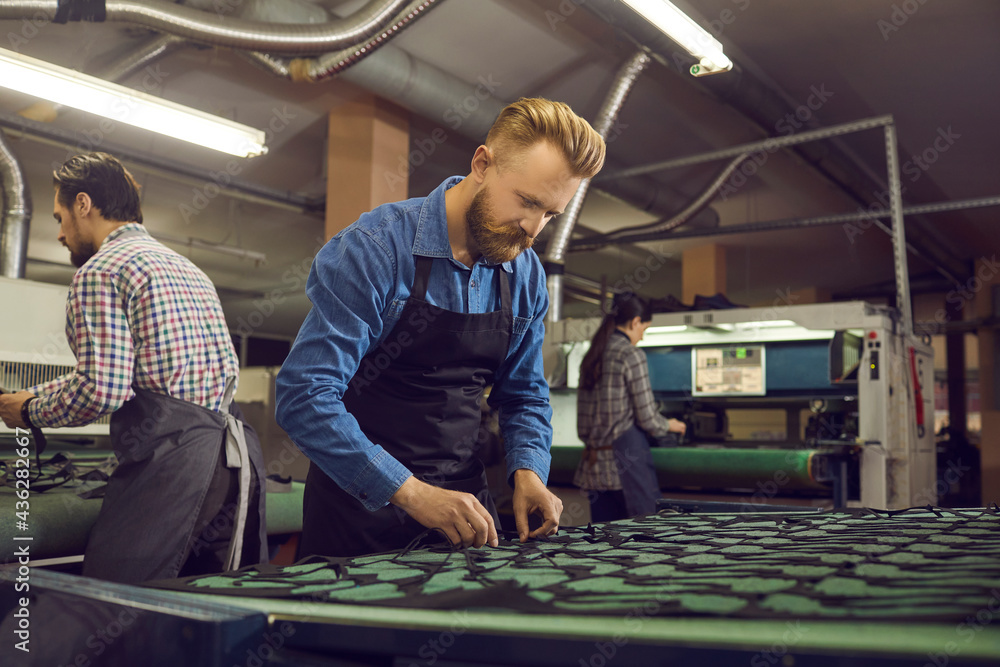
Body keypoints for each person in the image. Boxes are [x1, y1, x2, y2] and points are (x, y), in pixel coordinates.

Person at [275, 97, 605, 558]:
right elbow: (303, 395)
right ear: (482, 164)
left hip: (467, 516)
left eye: (551, 214)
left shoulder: (526, 274)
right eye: (527, 202)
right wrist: (412, 493)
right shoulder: (375, 250)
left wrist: (528, 472)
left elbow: (524, 394)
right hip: (356, 519)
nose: (533, 229)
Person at [0, 152, 266, 583]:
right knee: (199, 602)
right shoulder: (188, 269)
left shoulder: (100, 271)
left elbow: (104, 390)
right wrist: (35, 395)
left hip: (174, 462)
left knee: (112, 605)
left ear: (83, 204)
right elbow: (123, 374)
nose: (61, 233)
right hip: (231, 460)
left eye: (59, 217)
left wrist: (30, 413)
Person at [574, 292, 686, 521]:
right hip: (623, 469)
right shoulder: (631, 354)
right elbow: (648, 419)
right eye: (644, 329)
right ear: (635, 322)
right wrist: (671, 425)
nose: (642, 337)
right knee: (641, 540)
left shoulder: (592, 355)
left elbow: (582, 426)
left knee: (606, 543)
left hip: (594, 470)